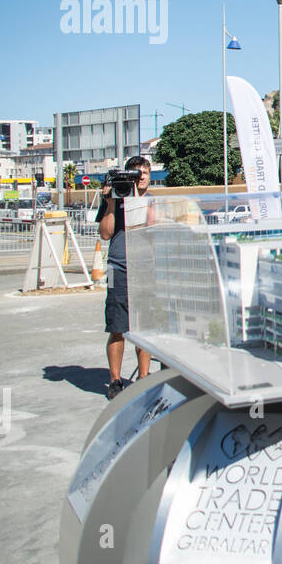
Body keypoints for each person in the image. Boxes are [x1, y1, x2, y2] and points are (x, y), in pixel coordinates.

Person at [97, 155, 156, 400]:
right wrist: (111, 203)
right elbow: (105, 234)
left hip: (145, 269)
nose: (140, 177)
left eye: (144, 173)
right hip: (117, 267)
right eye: (135, 173)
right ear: (127, 176)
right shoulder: (115, 199)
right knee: (117, 327)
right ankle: (115, 380)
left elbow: (152, 234)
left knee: (144, 328)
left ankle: (143, 378)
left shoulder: (153, 203)